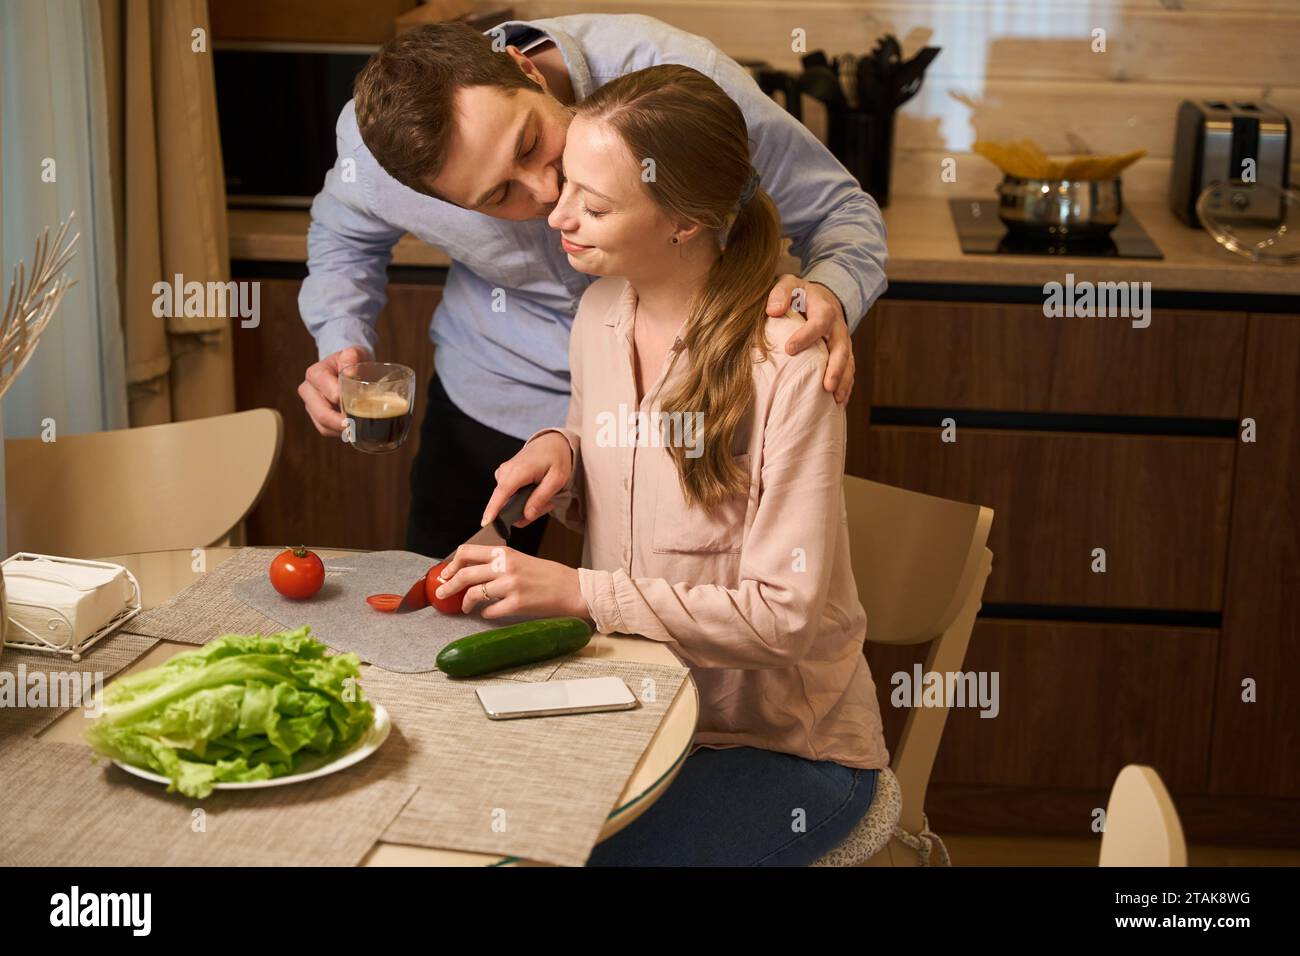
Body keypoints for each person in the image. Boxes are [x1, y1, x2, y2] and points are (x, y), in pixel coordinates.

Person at [434, 64, 890, 866]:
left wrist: (578, 591)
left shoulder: (788, 360)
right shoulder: (602, 310)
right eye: (566, 186)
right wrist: (563, 452)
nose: (558, 218)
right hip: (640, 709)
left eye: (595, 205)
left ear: (685, 220)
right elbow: (616, 448)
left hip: (780, 749)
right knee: (468, 818)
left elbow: (783, 620)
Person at [295, 15, 888, 560]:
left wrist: (830, 291)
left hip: (695, 401)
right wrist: (341, 340)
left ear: (524, 67)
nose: (550, 194)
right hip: (497, 390)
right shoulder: (378, 161)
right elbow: (343, 238)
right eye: (499, 196)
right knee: (449, 620)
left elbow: (842, 212)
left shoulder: (677, 79)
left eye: (529, 144)